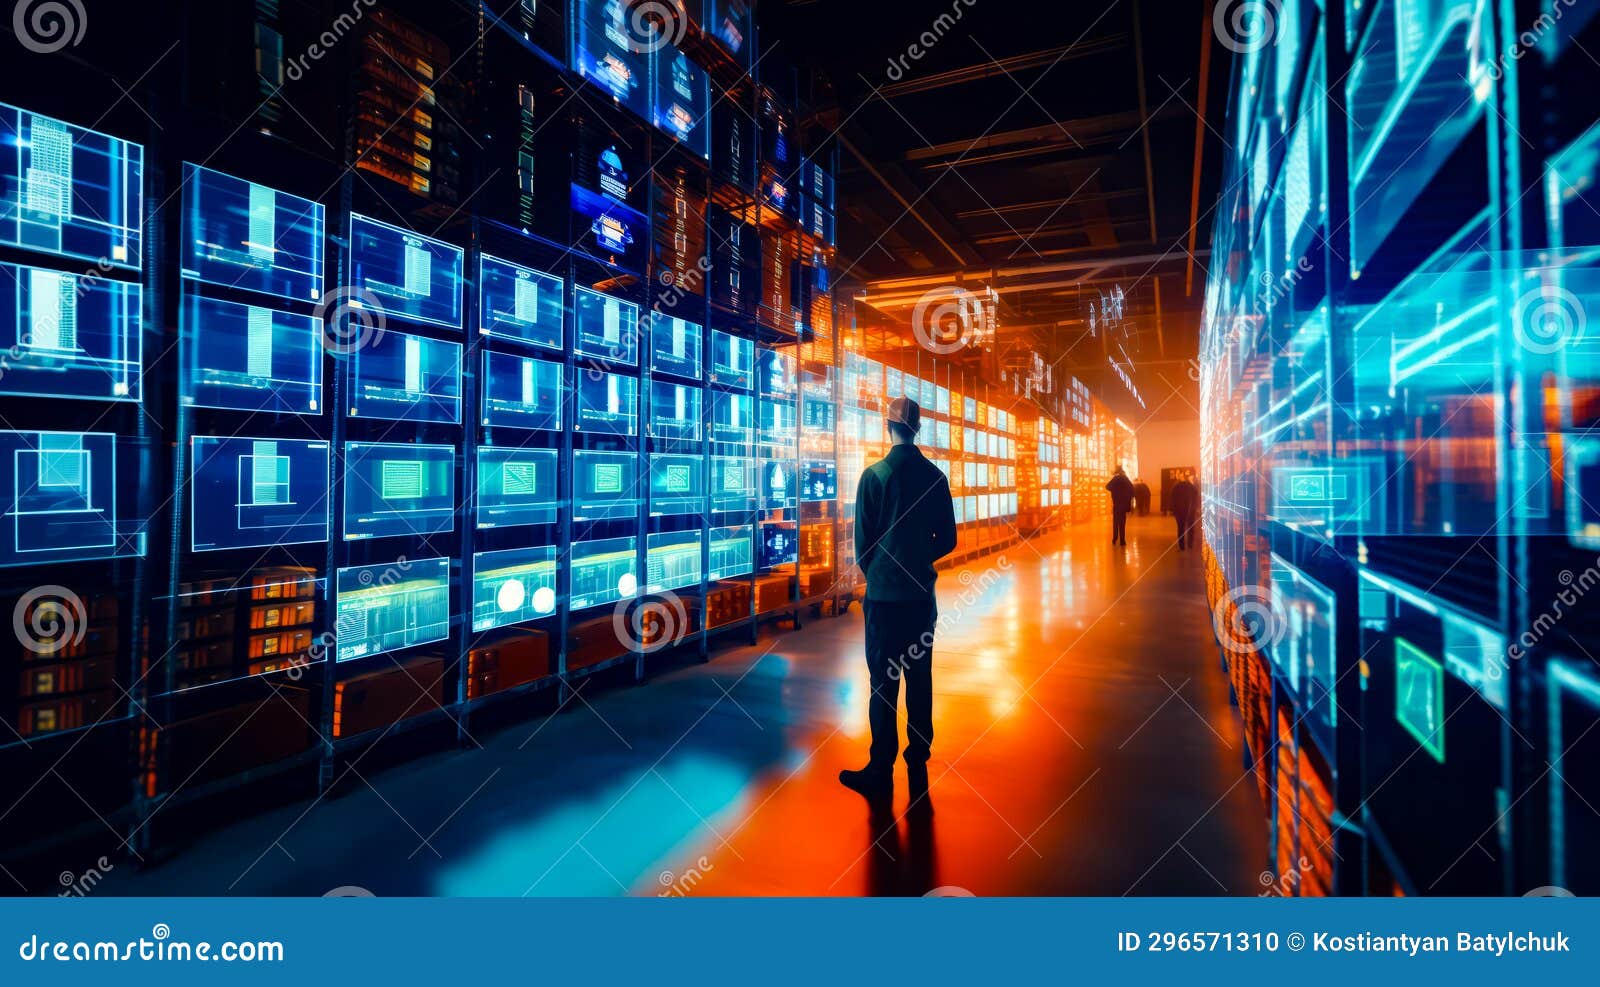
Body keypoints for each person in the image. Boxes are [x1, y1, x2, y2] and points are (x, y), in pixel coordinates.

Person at [841, 396, 957, 799]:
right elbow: (949, 539)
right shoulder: (936, 478)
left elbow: (862, 546)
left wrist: (882, 571)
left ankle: (880, 765)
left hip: (884, 600)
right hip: (921, 596)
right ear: (919, 427)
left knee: (883, 683)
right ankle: (918, 751)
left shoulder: (874, 476)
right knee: (919, 674)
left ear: (885, 425)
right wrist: (918, 557)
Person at [1105, 466, 1134, 546]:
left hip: (1116, 504)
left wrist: (1115, 490)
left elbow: (1107, 487)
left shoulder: (1116, 478)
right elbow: (1132, 489)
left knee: (1115, 522)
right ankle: (1122, 540)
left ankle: (1114, 538)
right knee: (1122, 522)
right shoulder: (1125, 479)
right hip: (1124, 505)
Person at [1170, 475, 1200, 550]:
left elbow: (1172, 499)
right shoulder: (1192, 487)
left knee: (1180, 528)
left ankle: (1182, 546)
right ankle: (1190, 544)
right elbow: (1196, 497)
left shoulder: (1175, 487)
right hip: (1190, 510)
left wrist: (1173, 510)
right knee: (1191, 527)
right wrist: (1195, 507)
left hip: (1179, 511)